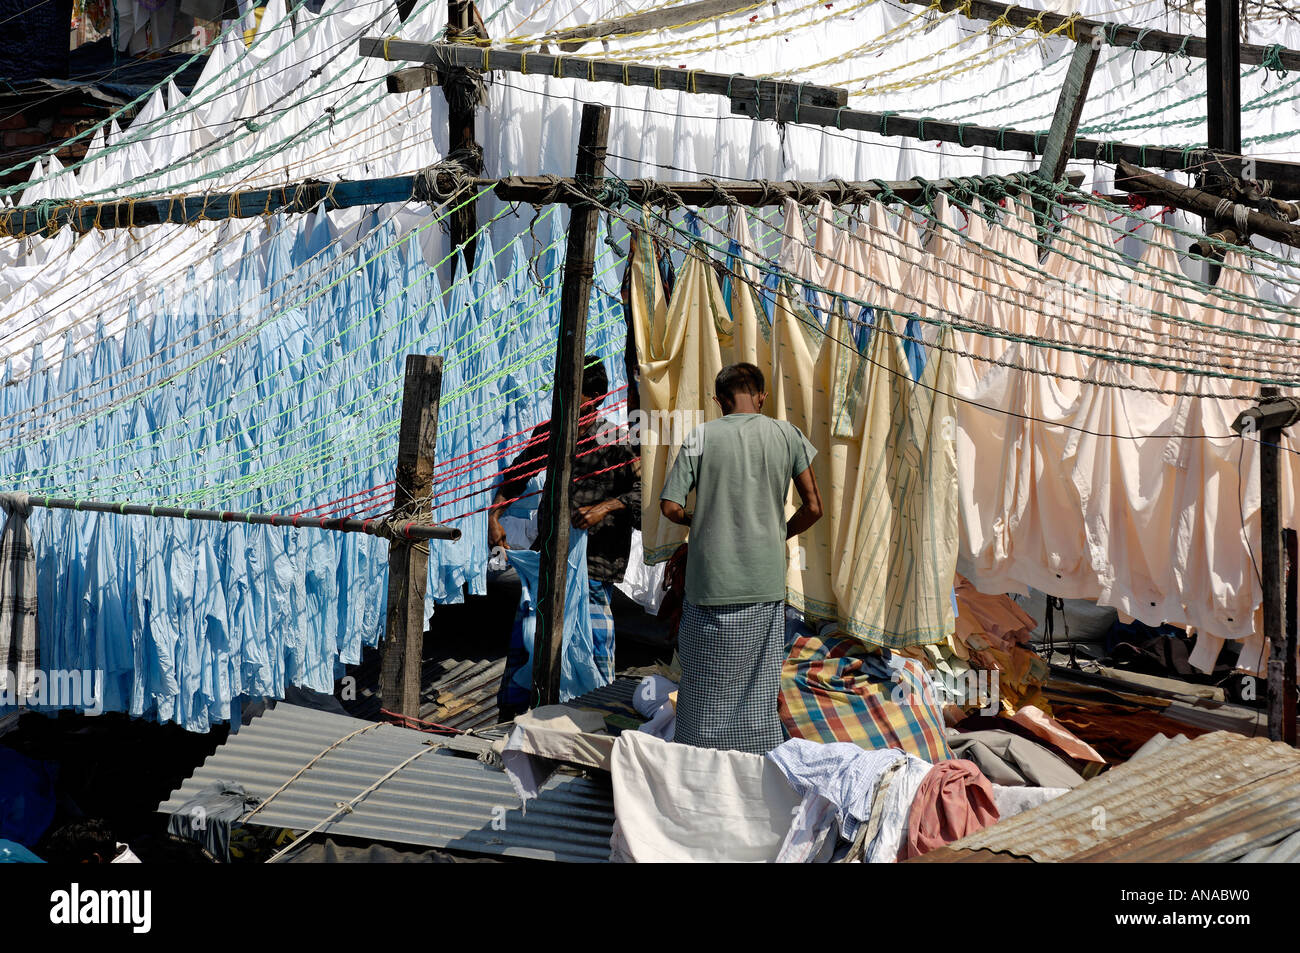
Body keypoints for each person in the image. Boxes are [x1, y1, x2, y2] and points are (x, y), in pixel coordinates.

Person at [659, 362, 822, 754]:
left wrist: (694, 519)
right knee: (757, 684)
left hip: (709, 583)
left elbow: (668, 507)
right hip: (763, 582)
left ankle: (698, 758)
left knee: (703, 683)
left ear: (719, 400)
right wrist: (778, 533)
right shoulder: (786, 434)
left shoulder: (701, 437)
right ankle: (753, 758)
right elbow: (814, 507)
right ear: (762, 397)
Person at [489, 357, 640, 715]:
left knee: (591, 648)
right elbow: (515, 477)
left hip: (595, 565)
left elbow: (643, 497)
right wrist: (495, 515)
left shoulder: (617, 441)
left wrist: (603, 508)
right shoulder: (550, 434)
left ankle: (592, 718)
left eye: (574, 394)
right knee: (532, 641)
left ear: (596, 397)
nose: (565, 401)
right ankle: (515, 720)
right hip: (548, 561)